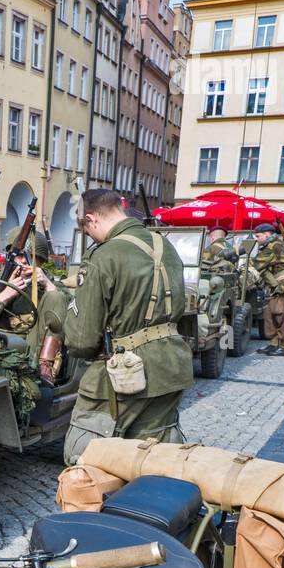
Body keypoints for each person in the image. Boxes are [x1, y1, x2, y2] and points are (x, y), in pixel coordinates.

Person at [62, 189, 193, 465]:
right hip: (171, 367)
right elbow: (179, 306)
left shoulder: (105, 256)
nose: (89, 237)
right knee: (155, 459)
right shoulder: (164, 246)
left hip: (124, 376)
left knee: (88, 461)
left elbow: (82, 340)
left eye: (86, 231)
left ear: (91, 219)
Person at [0, 228, 68, 383]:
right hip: (2, 349)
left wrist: (47, 284)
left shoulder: (51, 284)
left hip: (37, 350)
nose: (24, 261)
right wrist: (3, 295)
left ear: (41, 261)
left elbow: (72, 311)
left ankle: (45, 368)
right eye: (19, 255)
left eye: (30, 256)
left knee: (55, 296)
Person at [253, 222, 284, 357]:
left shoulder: (273, 246)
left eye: (258, 236)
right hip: (276, 285)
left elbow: (257, 263)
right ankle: (273, 344)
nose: (256, 239)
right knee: (270, 314)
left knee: (283, 315)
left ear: (267, 235)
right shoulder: (271, 245)